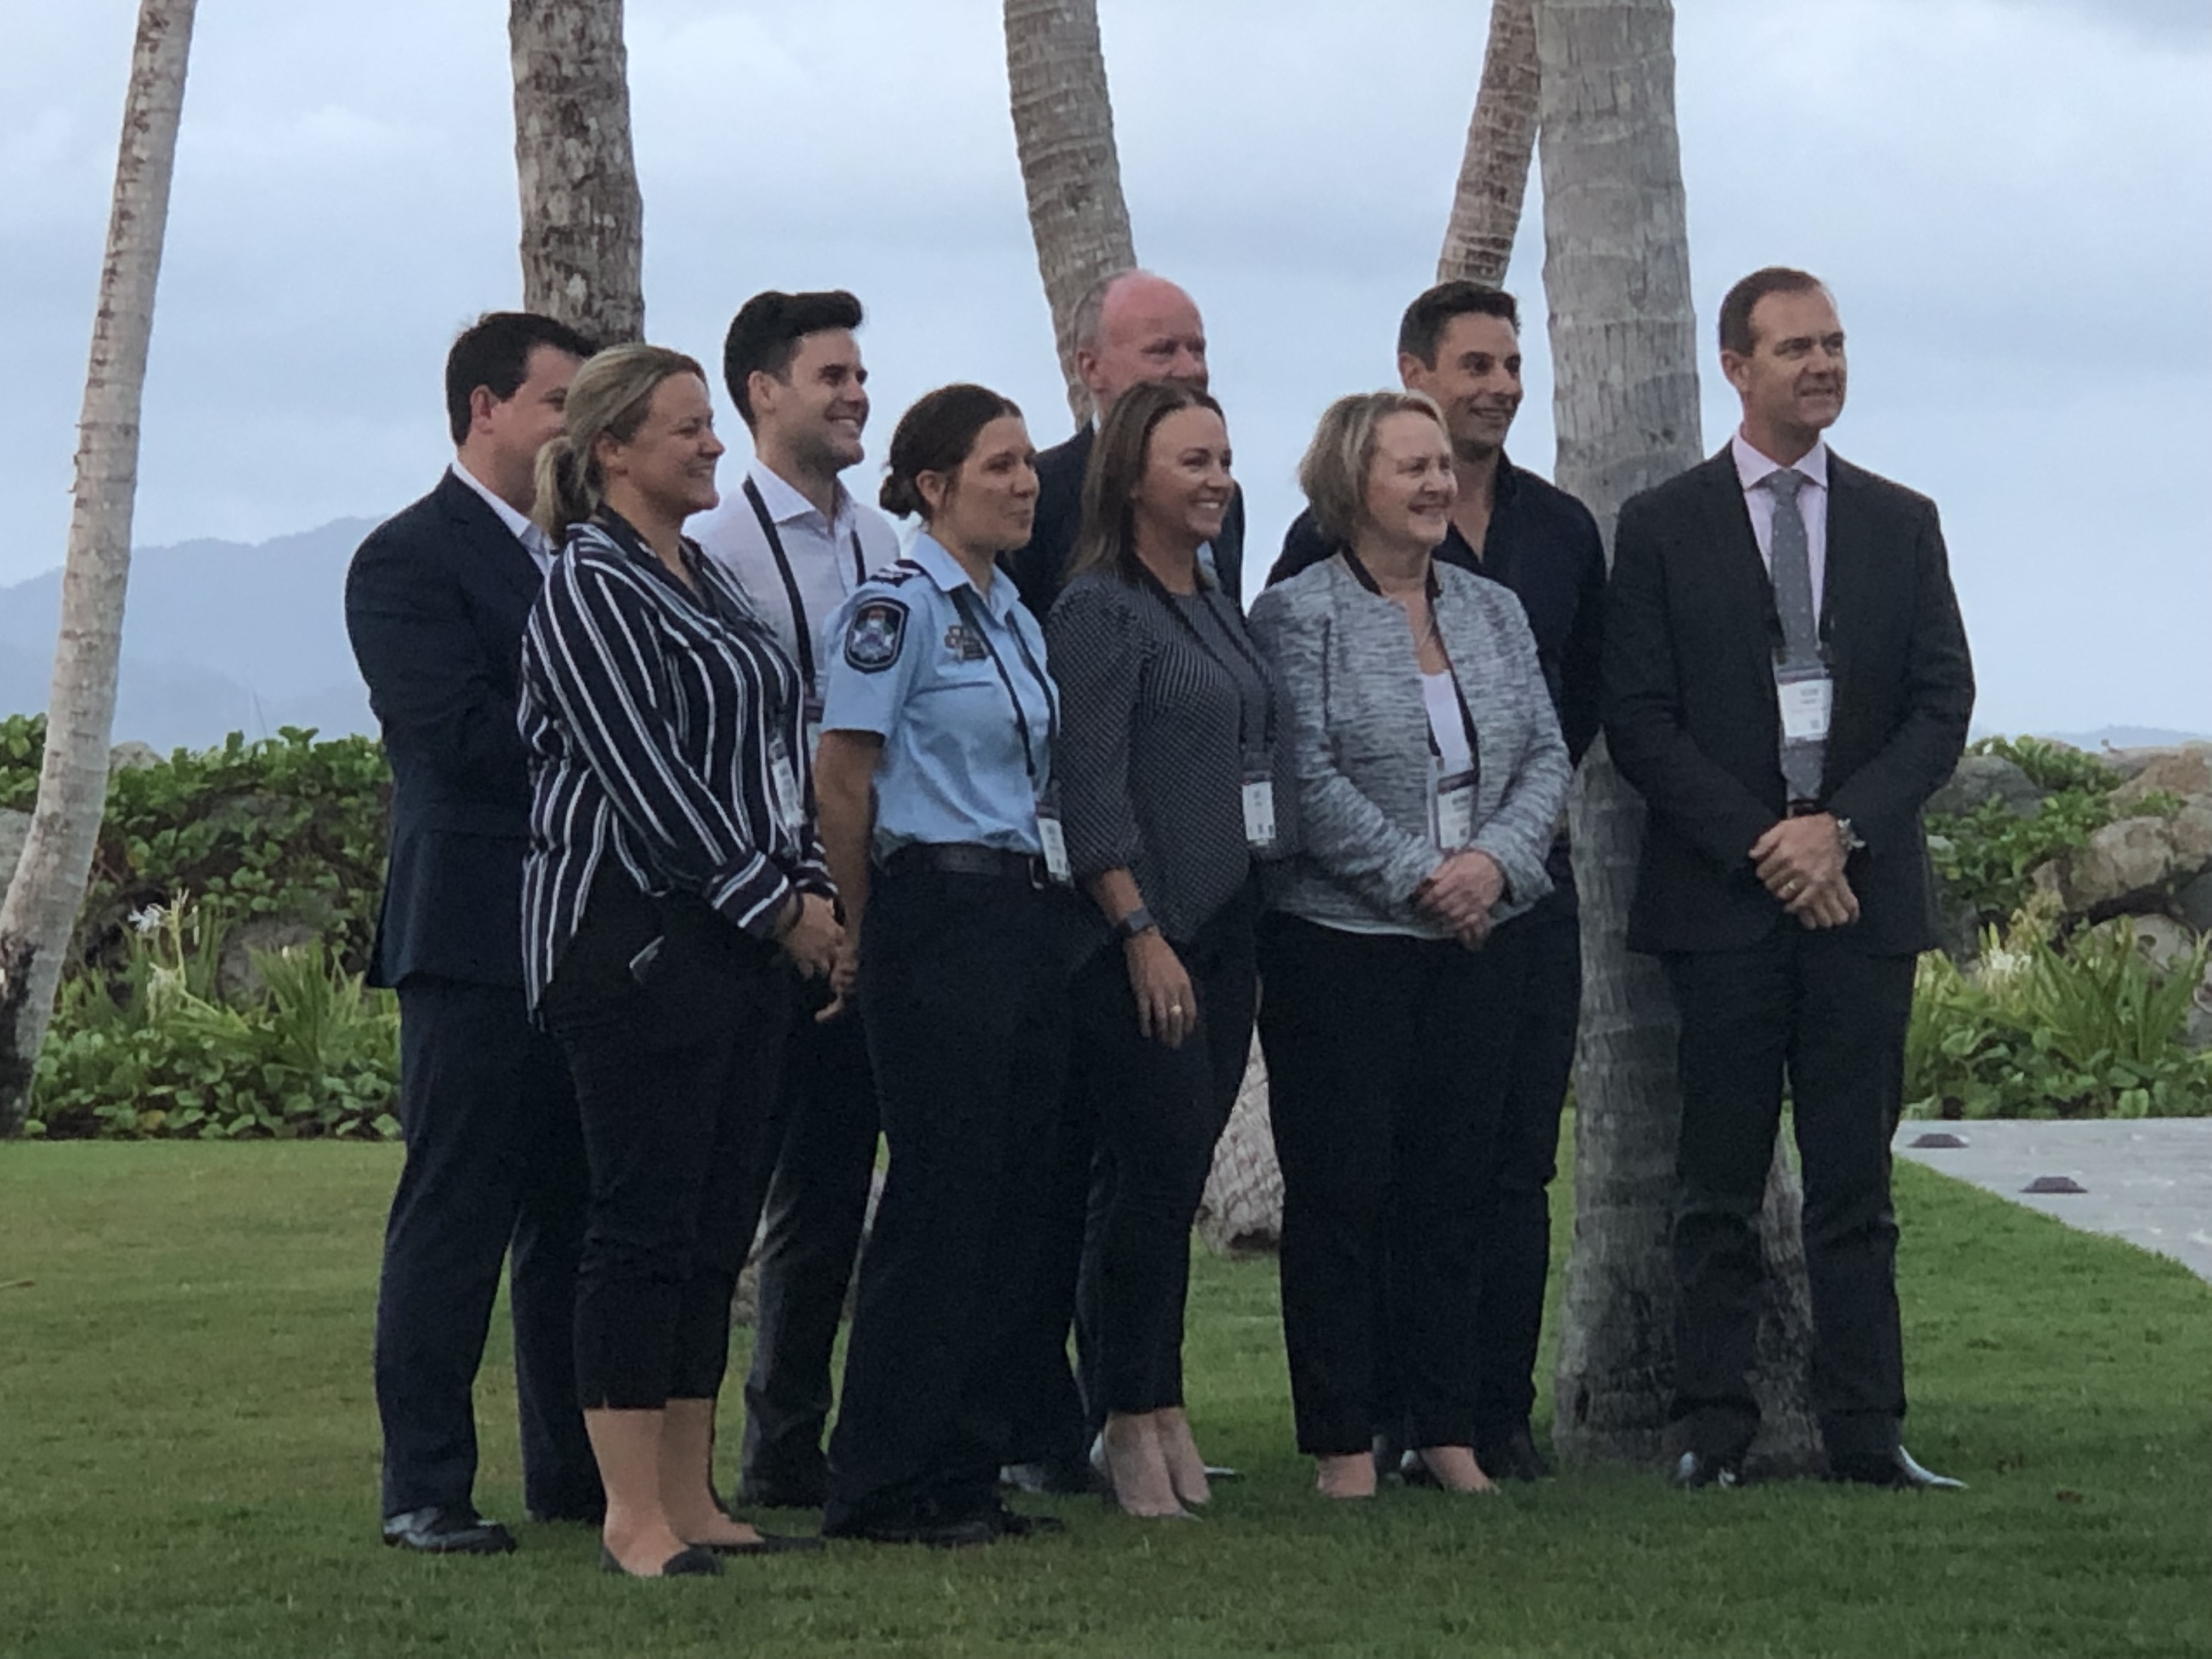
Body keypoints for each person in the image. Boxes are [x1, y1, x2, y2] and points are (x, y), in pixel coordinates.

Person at [1604, 268, 1974, 1492]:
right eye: (1795, 348)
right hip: (1726, 907)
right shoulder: (1662, 526)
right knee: (1717, 1182)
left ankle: (1868, 1435)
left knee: (1856, 1188)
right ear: (1736, 367)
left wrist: (1841, 834)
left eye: (1834, 344)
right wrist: (1772, 843)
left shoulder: (1900, 521)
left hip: (1861, 906)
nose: (1822, 365)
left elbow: (1939, 705)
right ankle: (1717, 1428)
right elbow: (1641, 720)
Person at [1271, 282, 1605, 1482]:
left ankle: (1453, 1431)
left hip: (1490, 936)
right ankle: (1346, 1441)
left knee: (1459, 1191)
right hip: (1346, 948)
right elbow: (1301, 776)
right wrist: (1423, 876)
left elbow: (1548, 751)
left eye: (1437, 469)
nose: (1433, 484)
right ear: (1353, 480)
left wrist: (1489, 871)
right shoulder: (1297, 612)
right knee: (1346, 1198)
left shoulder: (1499, 606)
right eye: (1408, 466)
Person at [518, 343, 841, 1576]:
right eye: (687, 429)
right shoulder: (588, 585)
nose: (713, 445)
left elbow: (772, 749)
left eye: (711, 426)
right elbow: (644, 779)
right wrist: (779, 906)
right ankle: (629, 1514)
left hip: (745, 945)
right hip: (636, 944)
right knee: (641, 1226)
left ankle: (691, 1493)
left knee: (716, 1232)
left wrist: (807, 883)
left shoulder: (703, 576)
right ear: (612, 452)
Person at [346, 309, 601, 1556]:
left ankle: (575, 1472)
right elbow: (456, 738)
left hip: (595, 935)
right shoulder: (409, 560)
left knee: (580, 1214)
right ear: (486, 409)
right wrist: (623, 759)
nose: (576, 430)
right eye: (560, 404)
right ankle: (426, 1486)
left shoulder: (599, 555)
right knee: (456, 1215)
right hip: (474, 933)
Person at [814, 384, 1079, 1547]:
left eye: (1027, 464)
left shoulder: (1012, 612)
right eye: (999, 465)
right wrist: (861, 928)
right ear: (932, 485)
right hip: (933, 908)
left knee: (1010, 1203)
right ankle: (880, 1481)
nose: (1024, 484)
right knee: (936, 1201)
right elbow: (844, 777)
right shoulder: (897, 605)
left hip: (1020, 910)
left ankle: (967, 1471)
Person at [1044, 380, 1279, 1518]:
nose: (1219, 479)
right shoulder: (1101, 609)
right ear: (1134, 476)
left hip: (1230, 927)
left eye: (1224, 458)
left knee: (1177, 1180)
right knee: (1140, 1187)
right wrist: (1138, 930)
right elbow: (1086, 790)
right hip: (1146, 937)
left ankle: (1164, 1403)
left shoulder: (1214, 599)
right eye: (1194, 460)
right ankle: (1124, 1419)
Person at [690, 289, 902, 1511]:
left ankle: (793, 1444)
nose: (854, 393)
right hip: (765, 908)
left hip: (872, 903)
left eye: (860, 375)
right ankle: (691, 1450)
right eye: (830, 376)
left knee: (834, 1191)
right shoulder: (717, 550)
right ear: (762, 392)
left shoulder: (886, 546)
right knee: (737, 1194)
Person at [1004, 268, 1244, 618]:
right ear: (1091, 369)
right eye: (1163, 351)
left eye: (1197, 349)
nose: (1190, 369)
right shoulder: (1039, 493)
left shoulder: (1223, 499)